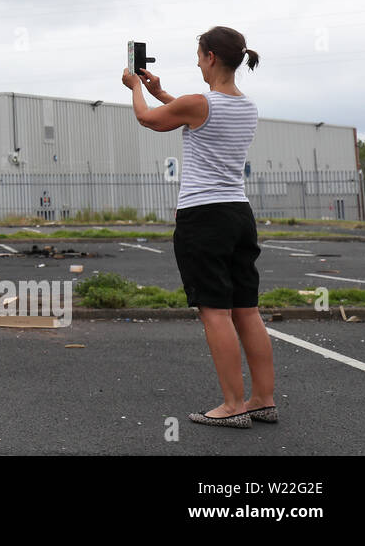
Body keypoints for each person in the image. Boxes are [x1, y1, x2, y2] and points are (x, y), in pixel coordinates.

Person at [121, 25, 275, 429]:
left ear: (210, 57)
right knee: (246, 310)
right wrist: (160, 92)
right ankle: (263, 399)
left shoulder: (199, 103)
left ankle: (232, 405)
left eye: (199, 54)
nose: (197, 61)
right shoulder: (246, 107)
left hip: (203, 217)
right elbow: (193, 116)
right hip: (239, 214)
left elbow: (148, 120)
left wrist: (133, 86)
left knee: (215, 312)